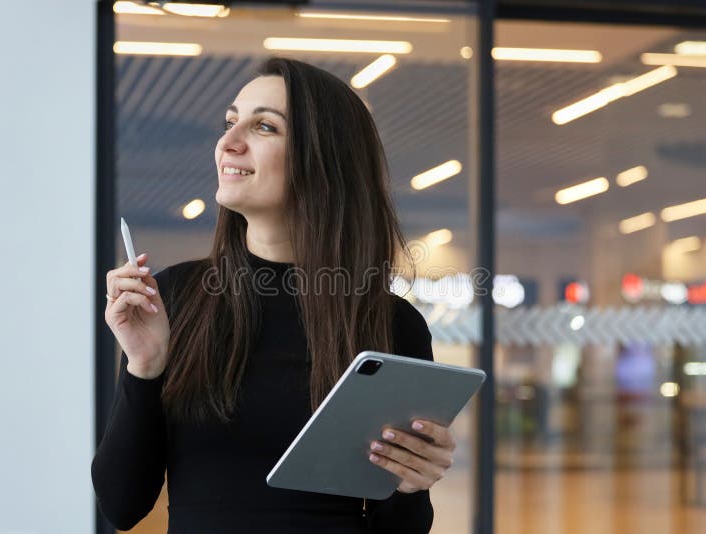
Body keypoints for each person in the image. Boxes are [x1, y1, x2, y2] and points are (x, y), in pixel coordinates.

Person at [92, 56, 456, 533]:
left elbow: (397, 528)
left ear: (324, 159)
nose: (228, 142)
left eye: (263, 127)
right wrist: (145, 367)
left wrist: (413, 484)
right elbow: (121, 505)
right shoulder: (176, 298)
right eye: (229, 122)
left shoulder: (390, 322)